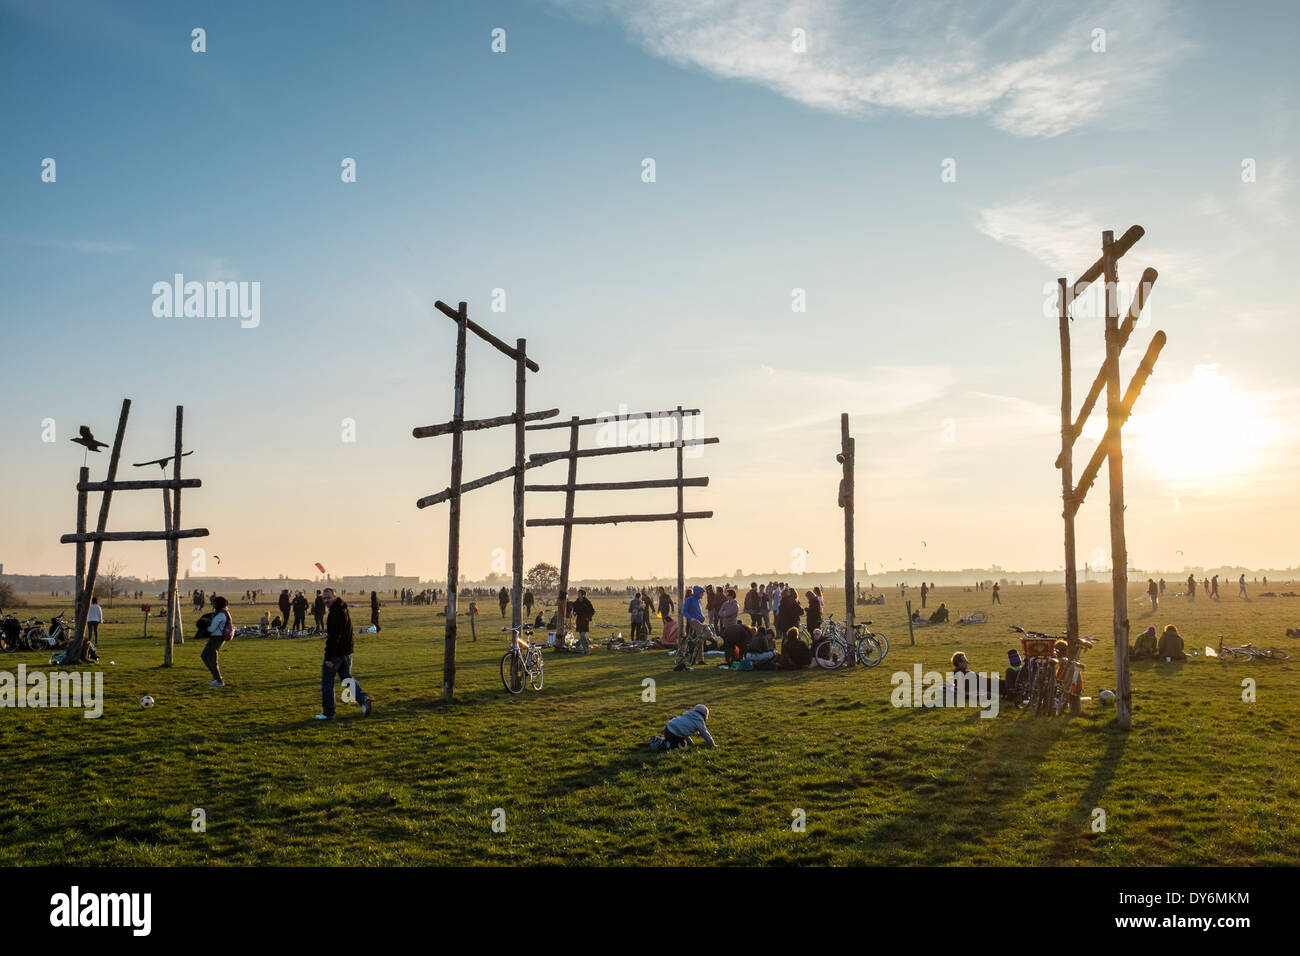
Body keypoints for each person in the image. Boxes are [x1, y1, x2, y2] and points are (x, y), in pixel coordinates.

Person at [318, 587, 373, 720]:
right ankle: (363, 700)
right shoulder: (343, 609)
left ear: (335, 597)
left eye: (328, 598)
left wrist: (329, 657)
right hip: (346, 653)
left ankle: (328, 713)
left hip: (336, 653)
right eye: (324, 598)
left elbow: (333, 638)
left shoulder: (335, 613)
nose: (326, 601)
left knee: (327, 682)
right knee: (347, 678)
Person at [650, 703, 716, 750]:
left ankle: (661, 740)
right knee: (682, 745)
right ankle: (662, 744)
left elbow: (685, 732)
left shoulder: (688, 715)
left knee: (679, 739)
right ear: (704, 716)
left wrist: (691, 743)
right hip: (674, 734)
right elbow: (705, 734)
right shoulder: (699, 721)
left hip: (668, 728)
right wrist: (712, 744)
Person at [200, 595, 233, 687]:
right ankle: (215, 677)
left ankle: (219, 680)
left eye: (214, 603)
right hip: (215, 637)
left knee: (212, 659)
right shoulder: (221, 613)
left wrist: (204, 625)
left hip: (216, 638)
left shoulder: (221, 614)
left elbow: (211, 629)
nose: (213, 604)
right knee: (204, 656)